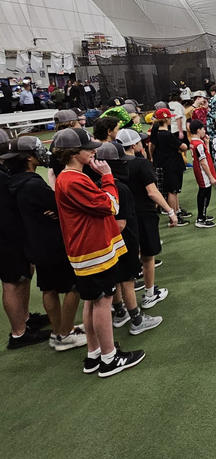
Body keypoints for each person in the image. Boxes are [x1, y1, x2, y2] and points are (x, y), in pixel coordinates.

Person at [52, 127, 145, 377]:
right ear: (75, 152)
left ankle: (95, 353)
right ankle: (109, 357)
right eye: (88, 149)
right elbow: (110, 206)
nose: (93, 153)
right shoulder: (74, 179)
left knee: (92, 301)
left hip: (85, 249)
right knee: (102, 301)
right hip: (93, 250)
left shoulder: (66, 177)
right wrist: (106, 177)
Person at [2, 137, 85, 352]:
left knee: (48, 287)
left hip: (34, 244)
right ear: (28, 157)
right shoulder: (32, 183)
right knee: (74, 286)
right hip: (51, 243)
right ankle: (65, 333)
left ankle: (58, 333)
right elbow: (61, 204)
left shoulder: (13, 181)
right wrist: (57, 209)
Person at [95, 142, 163, 337]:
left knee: (116, 278)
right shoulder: (120, 188)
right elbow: (120, 224)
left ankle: (120, 313)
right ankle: (136, 319)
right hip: (124, 241)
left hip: (109, 245)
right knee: (128, 279)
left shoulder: (99, 185)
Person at [0, 130, 52, 350]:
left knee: (21, 277)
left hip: (12, 233)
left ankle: (25, 320)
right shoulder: (2, 176)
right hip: (6, 235)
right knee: (13, 282)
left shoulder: (4, 172)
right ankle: (19, 333)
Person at [117, 127, 175, 308]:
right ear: (134, 145)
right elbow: (152, 192)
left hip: (121, 216)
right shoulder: (140, 164)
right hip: (143, 214)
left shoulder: (110, 163)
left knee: (125, 259)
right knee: (148, 256)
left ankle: (120, 305)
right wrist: (170, 211)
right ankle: (149, 294)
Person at [151, 109, 190, 220]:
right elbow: (183, 147)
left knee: (175, 190)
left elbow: (151, 146)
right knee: (172, 191)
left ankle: (177, 210)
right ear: (166, 119)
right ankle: (174, 215)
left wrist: (153, 157)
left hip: (165, 163)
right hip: (172, 164)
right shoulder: (167, 135)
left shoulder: (156, 132)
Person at [189, 119, 216, 227]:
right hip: (203, 173)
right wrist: (211, 176)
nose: (204, 131)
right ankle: (201, 218)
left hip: (200, 171)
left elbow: (206, 155)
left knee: (204, 193)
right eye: (202, 129)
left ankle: (203, 214)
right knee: (204, 194)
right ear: (198, 130)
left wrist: (207, 143)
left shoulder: (195, 142)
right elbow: (203, 162)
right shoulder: (198, 144)